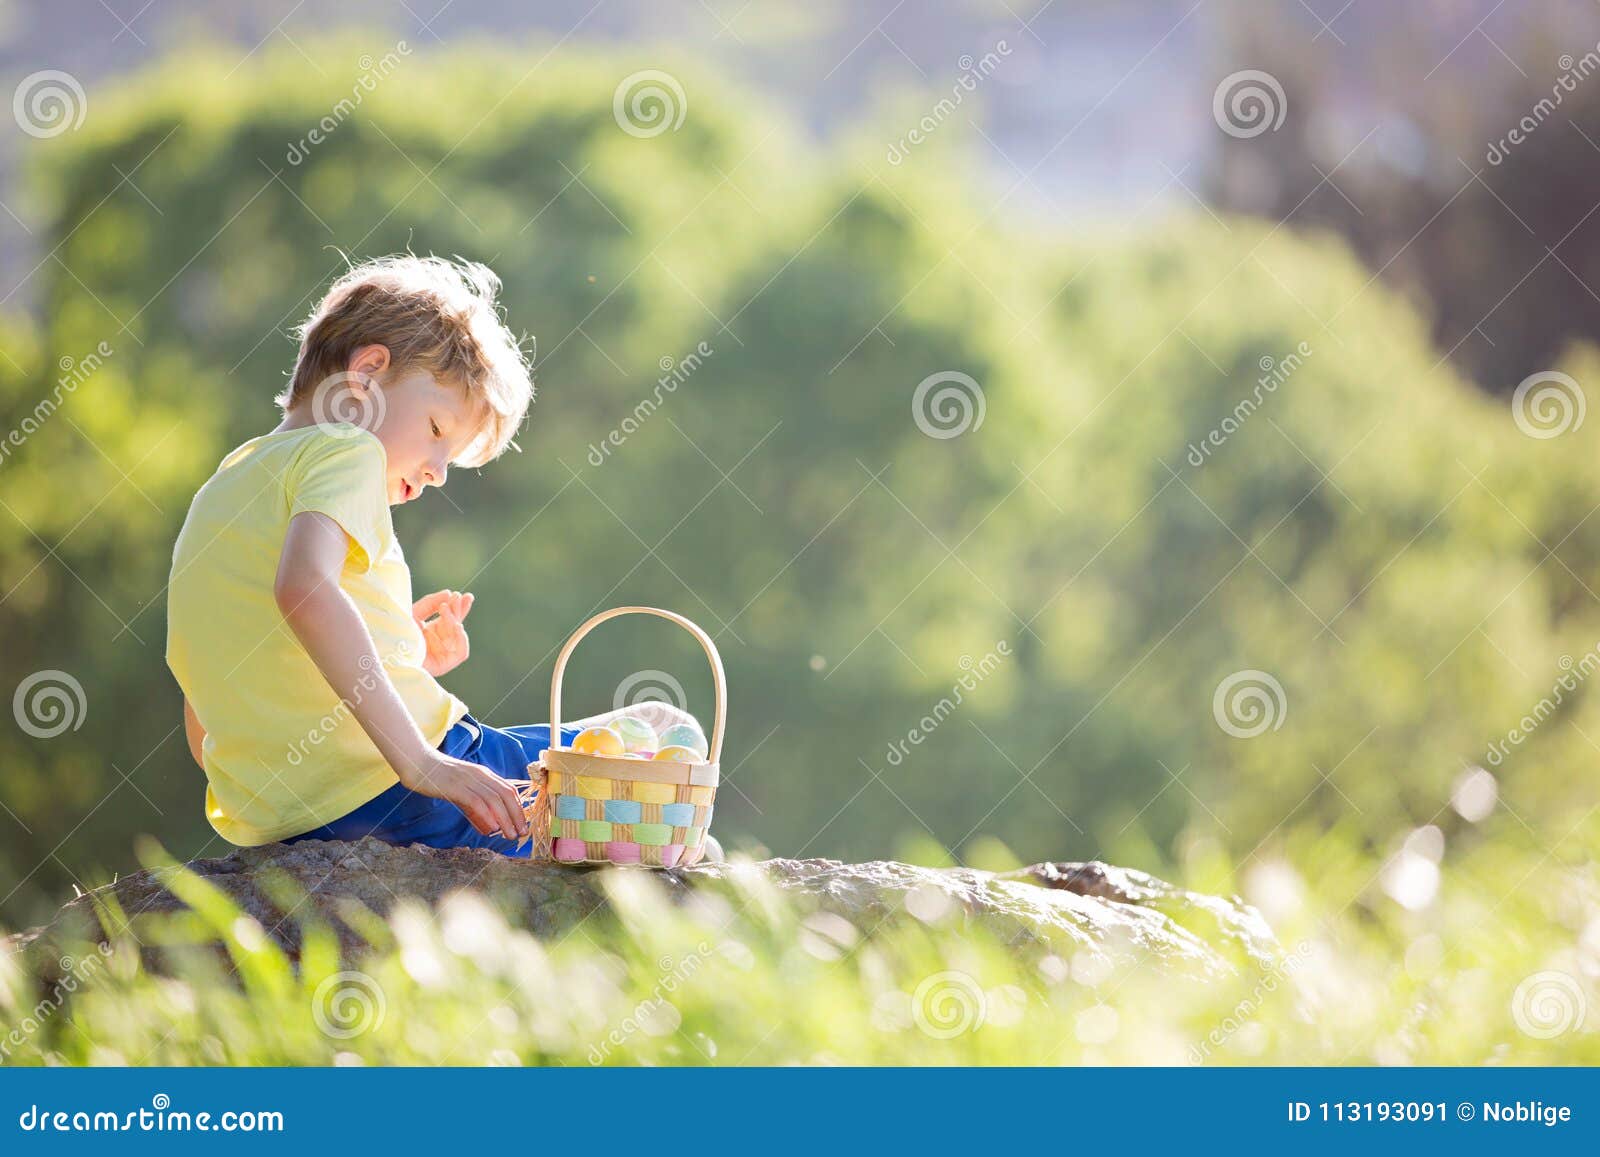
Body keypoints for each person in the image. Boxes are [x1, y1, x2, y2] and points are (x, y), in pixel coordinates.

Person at [165, 254, 714, 860]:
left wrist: (404, 654)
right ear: (367, 375)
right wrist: (425, 763)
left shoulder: (223, 488)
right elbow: (304, 592)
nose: (438, 472)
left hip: (280, 819)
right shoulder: (346, 450)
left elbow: (214, 678)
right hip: (413, 798)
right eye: (435, 429)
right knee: (667, 731)